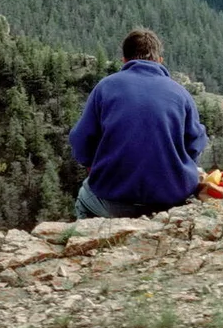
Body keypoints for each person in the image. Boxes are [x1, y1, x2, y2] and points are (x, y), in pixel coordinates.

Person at [69, 28, 209, 219]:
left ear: (124, 60)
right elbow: (196, 145)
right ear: (160, 60)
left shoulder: (105, 87)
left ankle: (86, 245)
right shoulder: (181, 94)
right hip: (170, 202)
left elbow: (81, 142)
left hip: (114, 200)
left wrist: (92, 166)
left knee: (84, 197)